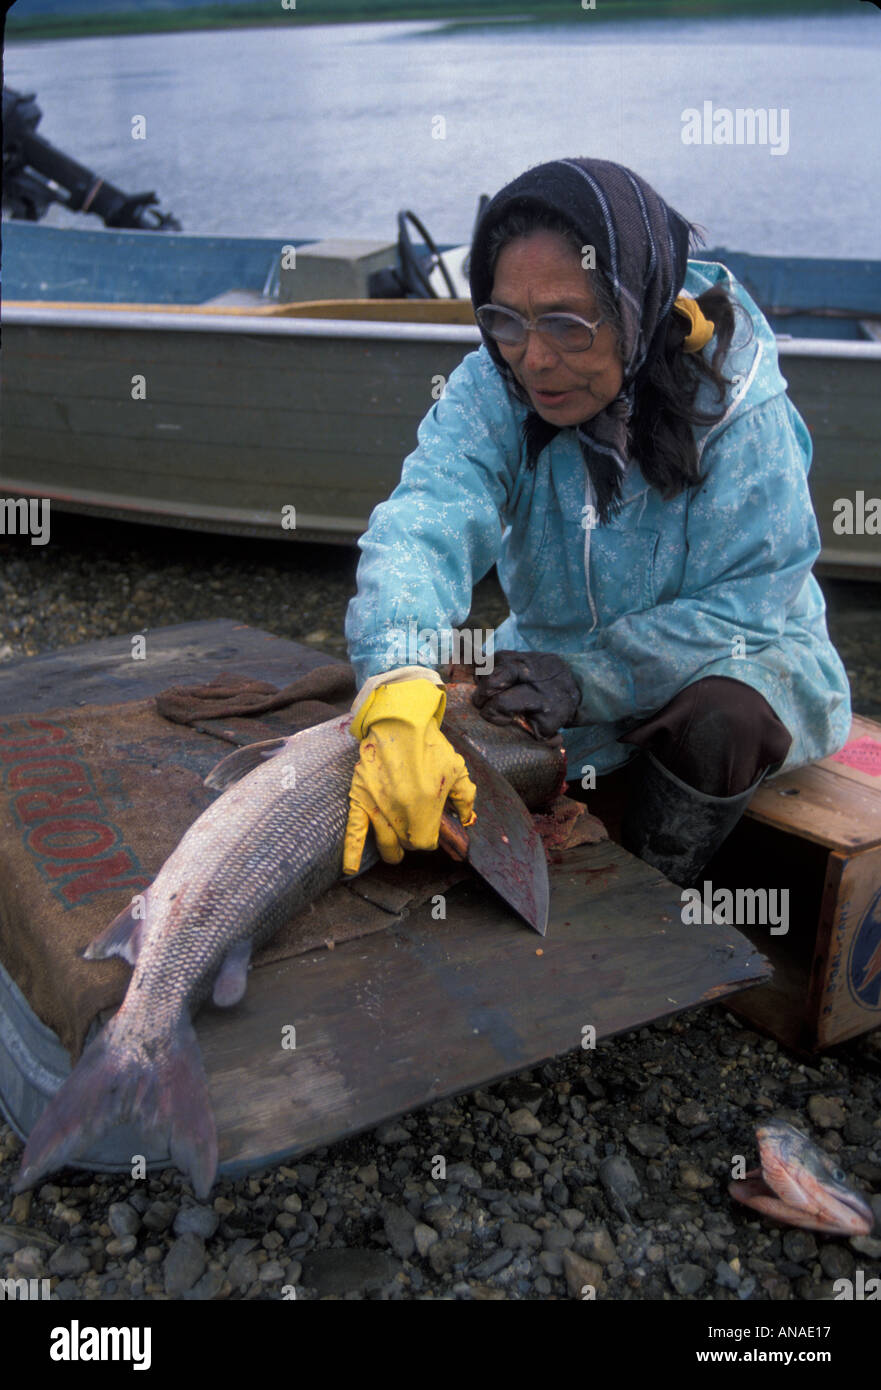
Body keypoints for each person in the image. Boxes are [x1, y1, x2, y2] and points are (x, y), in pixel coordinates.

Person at [342, 156, 851, 888]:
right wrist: (393, 674)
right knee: (426, 726)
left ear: (634, 303)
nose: (534, 359)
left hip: (737, 653)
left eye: (567, 324)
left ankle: (656, 892)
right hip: (552, 660)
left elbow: (748, 600)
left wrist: (591, 676)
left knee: (720, 721)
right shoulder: (496, 383)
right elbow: (426, 517)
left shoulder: (739, 409)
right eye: (505, 320)